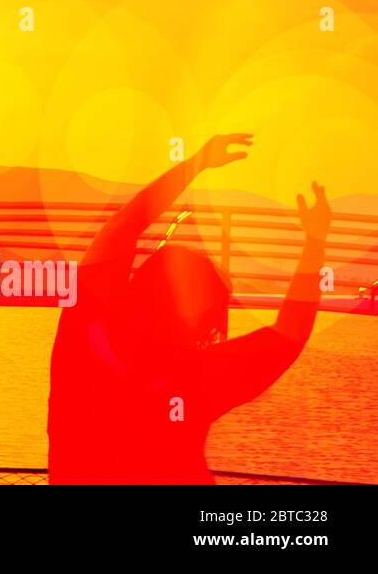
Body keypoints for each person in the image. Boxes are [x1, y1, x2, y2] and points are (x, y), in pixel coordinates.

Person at [47, 134, 331, 484]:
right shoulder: (195, 378)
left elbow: (123, 226)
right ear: (205, 323)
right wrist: (315, 244)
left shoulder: (87, 334)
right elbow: (290, 332)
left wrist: (195, 164)